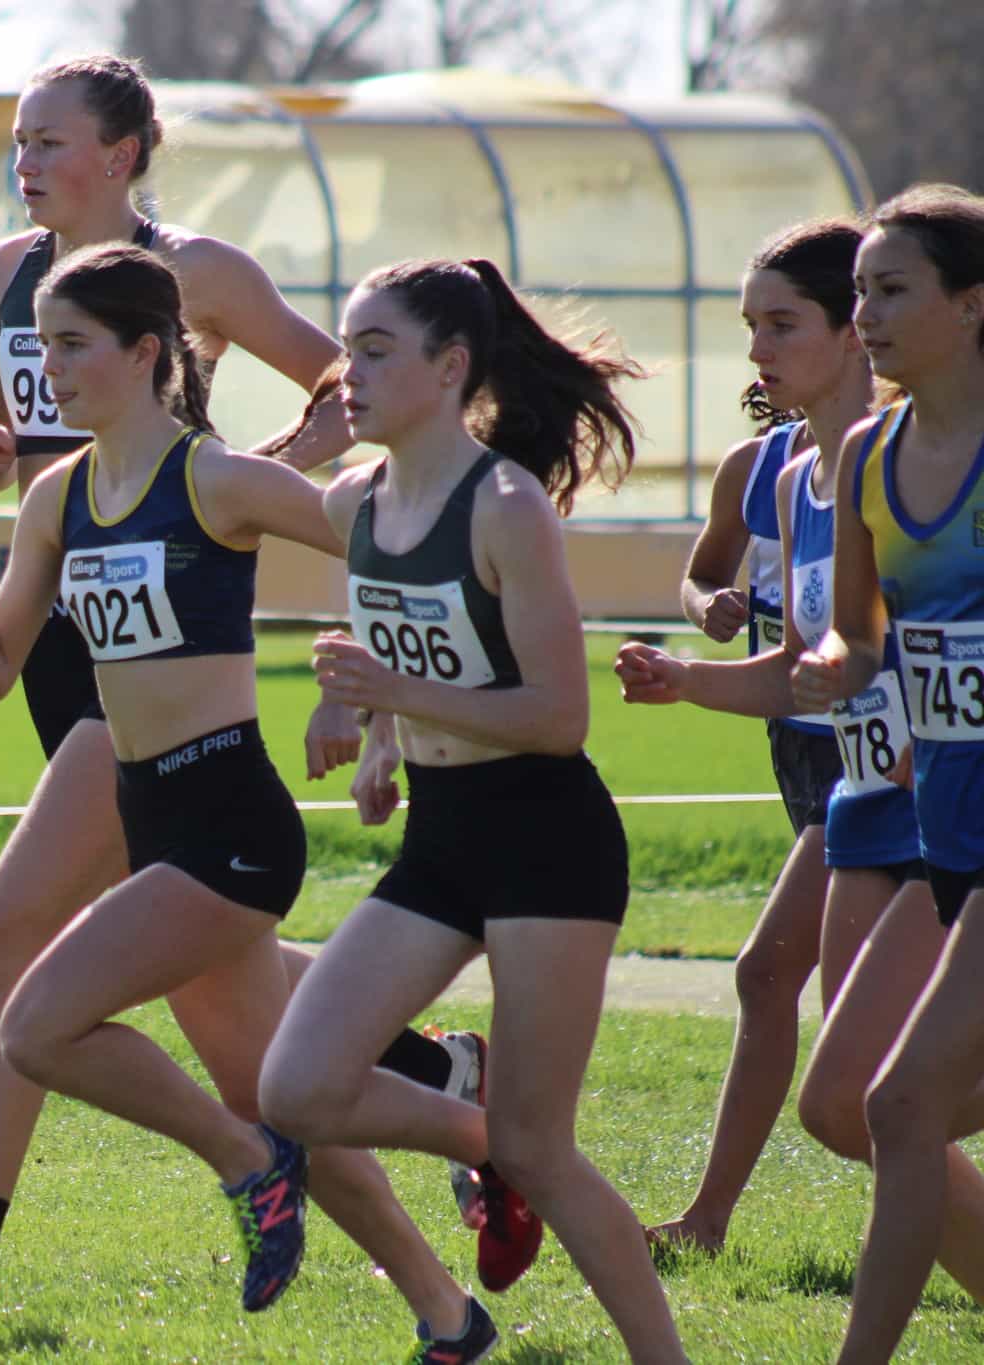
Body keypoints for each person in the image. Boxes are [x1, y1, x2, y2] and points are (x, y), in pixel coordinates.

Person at [0, 55, 477, 1353]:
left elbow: (342, 398)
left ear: (122, 154)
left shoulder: (202, 275)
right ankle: (445, 1276)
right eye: (16, 142)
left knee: (6, 952)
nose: (25, 162)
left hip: (165, 665)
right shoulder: (15, 275)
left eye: (49, 140)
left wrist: (251, 483)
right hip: (70, 641)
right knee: (259, 1066)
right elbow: (22, 444)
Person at [255, 257, 688, 1363]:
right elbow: (399, 637)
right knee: (295, 1089)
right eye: (345, 347)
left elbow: (556, 716)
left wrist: (386, 695)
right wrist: (372, 737)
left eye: (373, 351)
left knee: (543, 1150)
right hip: (442, 835)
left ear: (450, 368)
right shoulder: (352, 501)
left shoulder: (505, 508)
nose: (342, 373)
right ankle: (480, 1133)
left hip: (547, 841)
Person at [611, 220, 871, 1254]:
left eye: (780, 323)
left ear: (853, 329)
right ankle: (713, 1220)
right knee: (839, 1027)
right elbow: (779, 640)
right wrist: (701, 626)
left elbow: (833, 670)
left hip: (889, 770)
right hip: (814, 745)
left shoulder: (898, 464)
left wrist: (690, 681)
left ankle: (715, 1219)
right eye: (746, 325)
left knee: (788, 991)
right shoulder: (775, 467)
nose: (756, 348)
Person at [785, 185, 984, 1364]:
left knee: (898, 1106)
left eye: (890, 288)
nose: (862, 312)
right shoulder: (864, 454)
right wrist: (807, 668)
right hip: (943, 830)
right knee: (854, 1101)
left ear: (970, 305)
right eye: (856, 290)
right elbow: (854, 644)